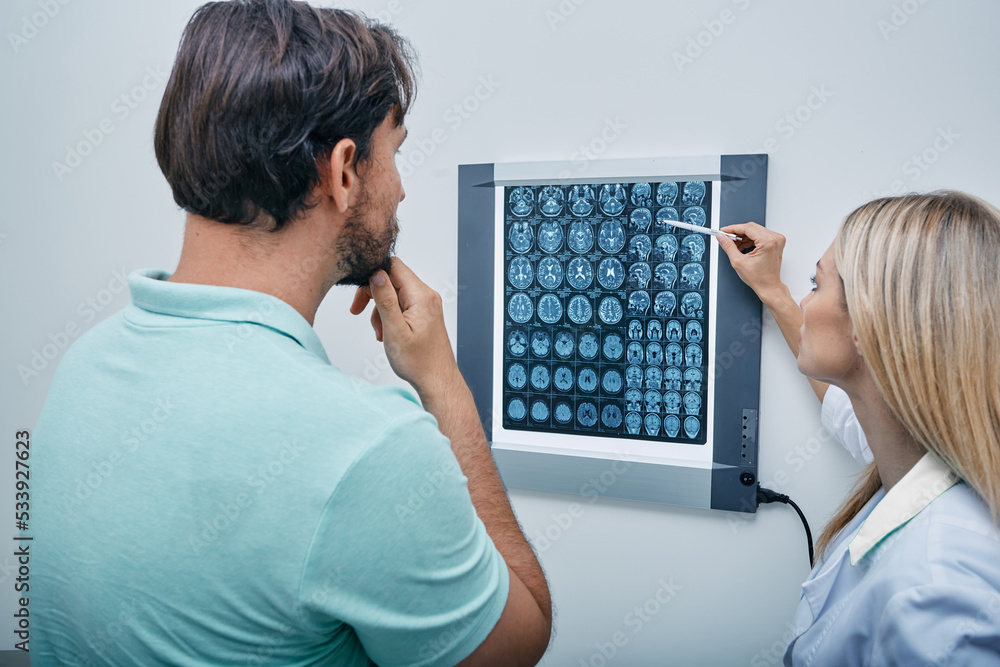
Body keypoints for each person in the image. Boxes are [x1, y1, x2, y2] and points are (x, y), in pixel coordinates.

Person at [31, 1, 551, 665]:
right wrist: (445, 386)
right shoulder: (372, 449)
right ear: (341, 171)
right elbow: (520, 641)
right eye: (393, 155)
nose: (400, 193)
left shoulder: (80, 368)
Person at [718, 192, 1000, 664]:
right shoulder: (920, 462)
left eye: (816, 284)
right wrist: (773, 292)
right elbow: (858, 414)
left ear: (872, 321)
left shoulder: (942, 589)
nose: (806, 300)